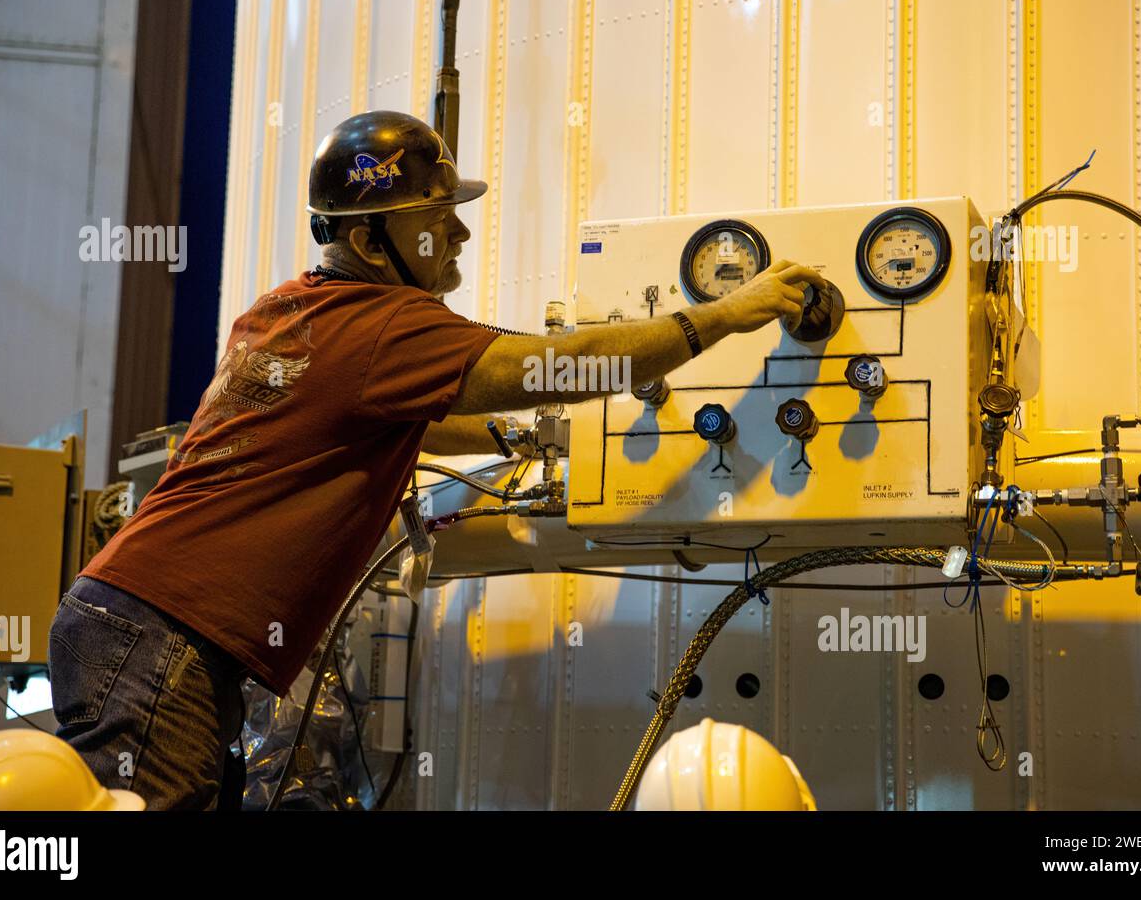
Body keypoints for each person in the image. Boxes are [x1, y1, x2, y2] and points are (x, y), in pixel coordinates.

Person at [48, 110, 826, 809]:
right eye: (436, 217)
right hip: (164, 634)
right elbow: (560, 362)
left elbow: (387, 422)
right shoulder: (390, 324)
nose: (457, 233)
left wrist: (514, 442)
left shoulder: (291, 309)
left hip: (128, 617)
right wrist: (723, 315)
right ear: (368, 240)